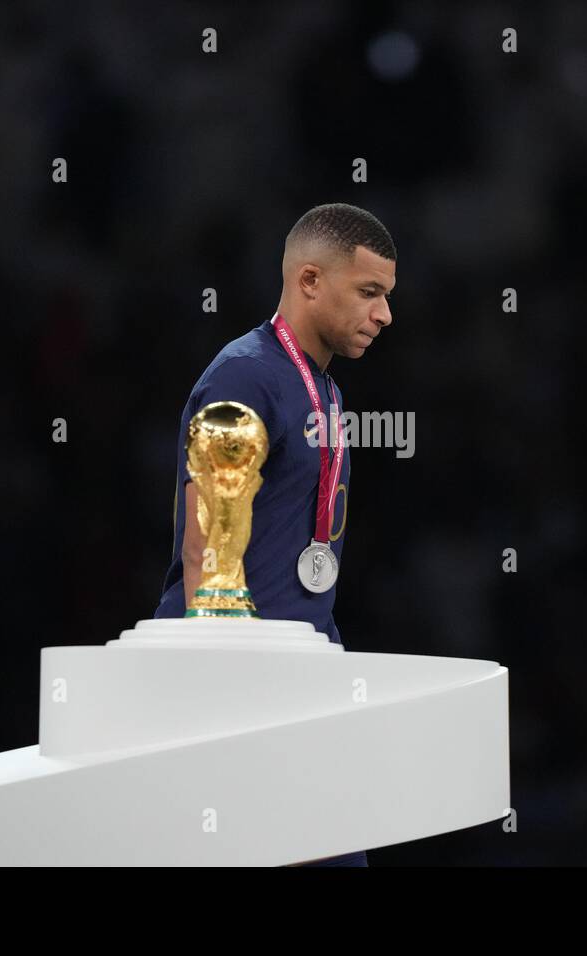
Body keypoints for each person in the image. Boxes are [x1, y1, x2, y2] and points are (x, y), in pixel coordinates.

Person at [154, 202, 397, 866]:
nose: (384, 315)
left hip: (298, 668)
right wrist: (229, 696)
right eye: (369, 293)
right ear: (310, 282)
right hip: (238, 676)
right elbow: (205, 542)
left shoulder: (325, 391)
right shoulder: (243, 376)